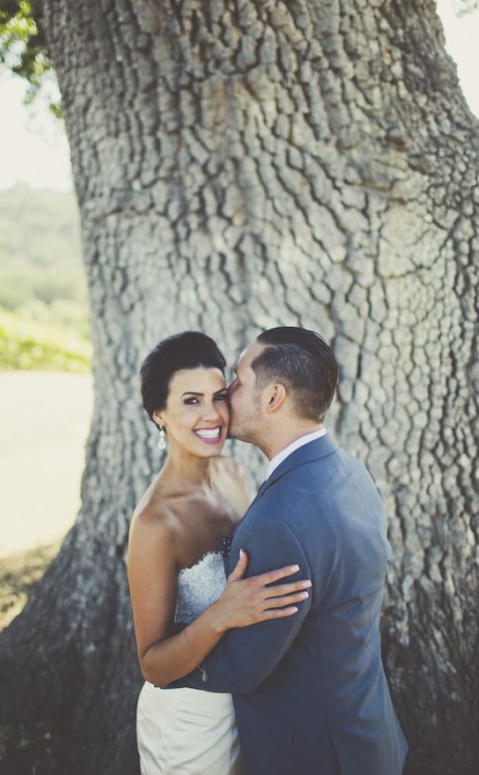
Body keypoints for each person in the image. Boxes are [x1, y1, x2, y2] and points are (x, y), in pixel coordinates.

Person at [170, 326, 408, 775]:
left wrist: (165, 666)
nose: (226, 394)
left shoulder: (277, 522)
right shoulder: (348, 471)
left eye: (238, 382)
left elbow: (242, 667)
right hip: (367, 731)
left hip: (315, 753)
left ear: (274, 397)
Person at [127, 331, 312, 775]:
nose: (212, 415)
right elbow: (152, 665)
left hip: (247, 701)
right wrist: (221, 615)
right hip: (189, 723)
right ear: (159, 415)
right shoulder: (155, 524)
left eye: (219, 397)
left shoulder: (233, 475)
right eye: (191, 401)